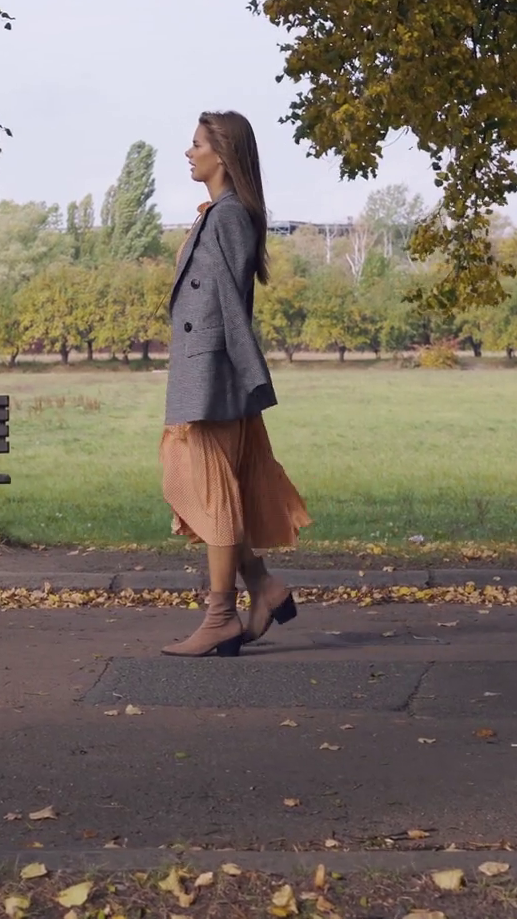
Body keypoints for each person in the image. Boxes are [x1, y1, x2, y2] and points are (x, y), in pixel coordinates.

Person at [159, 110, 312, 657]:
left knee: (210, 492)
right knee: (211, 489)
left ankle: (222, 616)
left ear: (221, 154)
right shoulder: (222, 214)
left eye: (196, 143)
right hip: (207, 371)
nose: (188, 151)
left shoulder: (228, 217)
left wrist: (242, 382)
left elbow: (230, 305)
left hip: (213, 376)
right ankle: (266, 588)